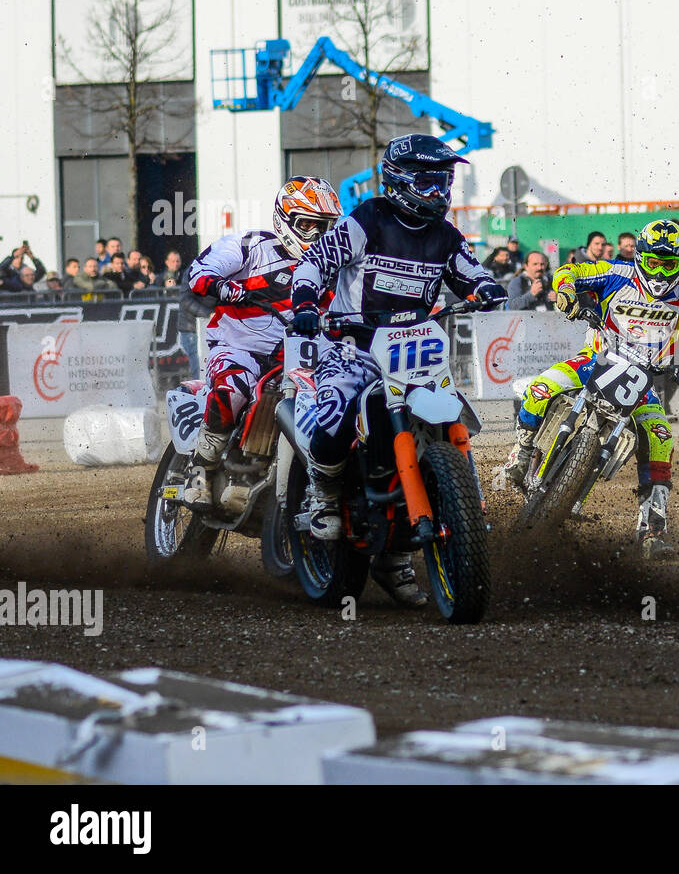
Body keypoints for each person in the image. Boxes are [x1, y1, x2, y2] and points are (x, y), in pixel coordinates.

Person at [290, 135, 507, 605]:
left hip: (417, 352)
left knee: (453, 414)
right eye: (428, 182)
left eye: (443, 182)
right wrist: (306, 302)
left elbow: (473, 272)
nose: (438, 192)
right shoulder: (367, 220)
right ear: (399, 181)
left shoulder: (446, 235)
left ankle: (452, 508)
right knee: (335, 417)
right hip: (355, 348)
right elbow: (315, 262)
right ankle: (323, 493)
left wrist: (490, 287)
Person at [499, 219, 679, 558]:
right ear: (641, 257)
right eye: (653, 263)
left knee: (661, 437)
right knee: (541, 387)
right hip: (594, 359)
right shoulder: (616, 272)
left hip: (641, 380)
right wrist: (567, 291)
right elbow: (571, 271)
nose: (659, 274)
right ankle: (521, 450)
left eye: (668, 264)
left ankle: (652, 530)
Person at [183, 176, 343, 514]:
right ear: (285, 220)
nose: (316, 236)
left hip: (299, 354)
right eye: (308, 225)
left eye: (324, 228)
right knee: (234, 388)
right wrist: (224, 287)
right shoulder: (250, 245)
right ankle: (201, 467)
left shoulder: (333, 267)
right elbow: (200, 271)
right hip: (238, 346)